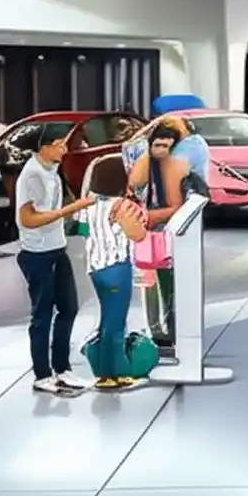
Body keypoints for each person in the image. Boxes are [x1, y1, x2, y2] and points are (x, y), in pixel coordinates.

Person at [14, 127, 95, 394]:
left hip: (57, 248)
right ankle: (42, 374)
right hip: (37, 254)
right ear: (43, 147)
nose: (65, 150)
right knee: (42, 315)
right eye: (60, 145)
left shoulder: (51, 172)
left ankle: (62, 369)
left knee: (69, 308)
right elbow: (27, 219)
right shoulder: (32, 175)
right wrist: (72, 209)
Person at [78, 157, 149, 390]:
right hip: (117, 267)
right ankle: (114, 374)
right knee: (115, 323)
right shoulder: (124, 206)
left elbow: (81, 230)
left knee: (107, 320)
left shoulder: (87, 203)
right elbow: (138, 235)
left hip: (96, 268)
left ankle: (102, 369)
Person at [136, 124, 188, 358]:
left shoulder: (180, 169)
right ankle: (157, 332)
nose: (161, 150)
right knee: (150, 282)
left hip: (172, 230)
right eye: (157, 145)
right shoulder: (143, 168)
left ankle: (173, 329)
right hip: (150, 230)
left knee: (171, 283)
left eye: (167, 146)